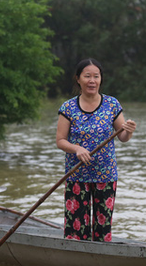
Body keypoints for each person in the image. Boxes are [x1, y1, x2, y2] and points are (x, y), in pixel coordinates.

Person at [56, 58, 136, 242]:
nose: (92, 81)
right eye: (87, 76)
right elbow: (60, 141)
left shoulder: (112, 105)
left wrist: (129, 132)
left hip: (105, 175)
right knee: (76, 230)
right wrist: (76, 148)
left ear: (101, 79)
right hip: (77, 175)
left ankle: (98, 261)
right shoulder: (68, 107)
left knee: (102, 229)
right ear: (78, 79)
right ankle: (76, 261)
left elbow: (122, 137)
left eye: (96, 76)